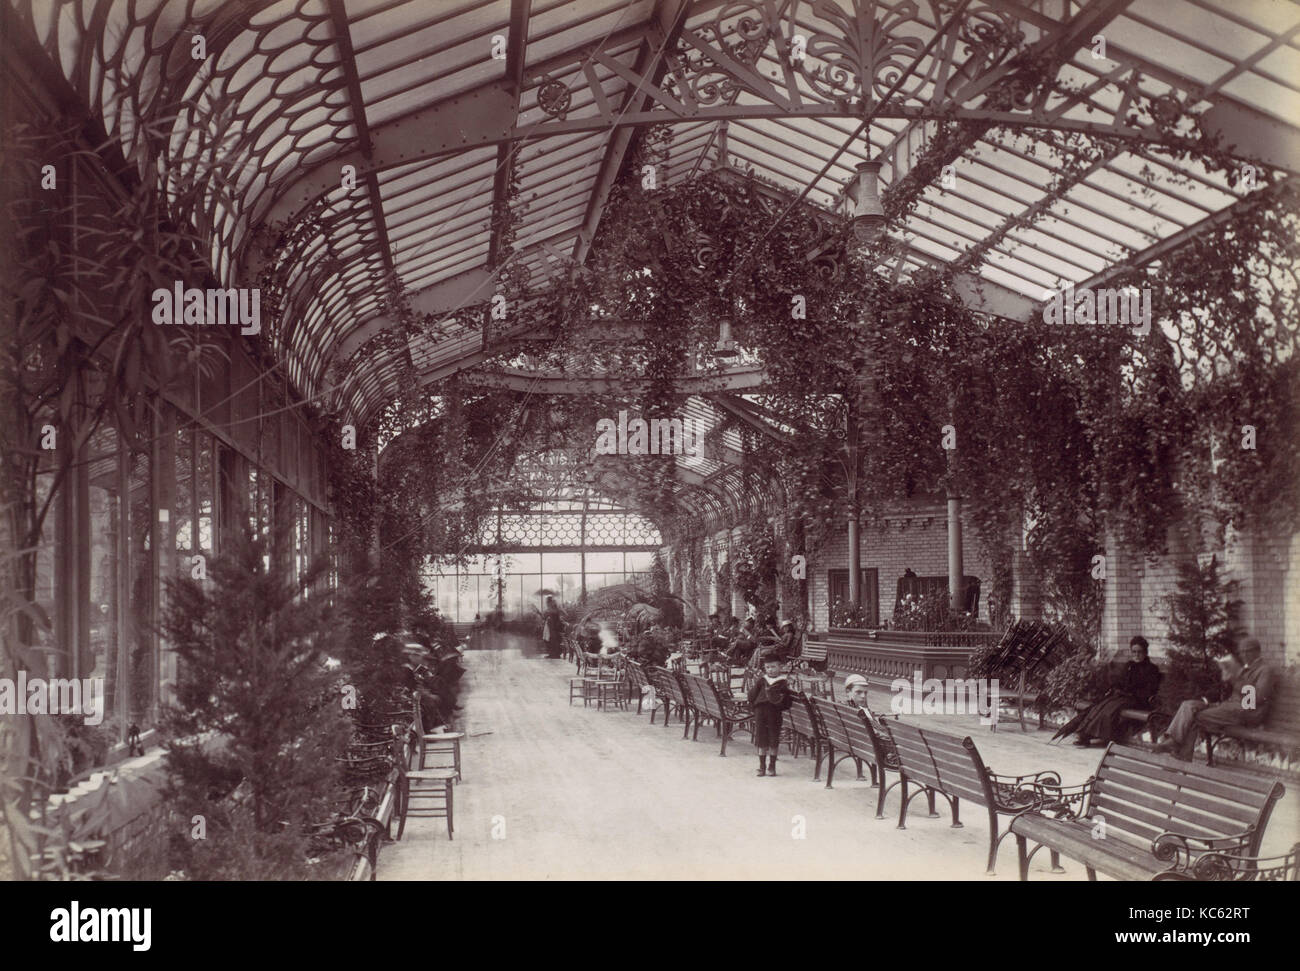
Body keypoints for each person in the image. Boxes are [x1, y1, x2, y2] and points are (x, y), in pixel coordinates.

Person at [1154, 637, 1280, 761]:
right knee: (1188, 705)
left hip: (1247, 713)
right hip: (1230, 707)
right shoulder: (1246, 669)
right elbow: (1236, 693)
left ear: (1257, 651)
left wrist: (1236, 677)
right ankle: (1174, 743)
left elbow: (1256, 699)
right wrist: (1228, 676)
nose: (1244, 655)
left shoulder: (1265, 671)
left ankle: (1180, 754)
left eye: (1248, 651)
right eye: (1242, 652)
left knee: (1196, 717)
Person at [1056, 635, 1161, 747]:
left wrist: (1130, 691)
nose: (1136, 655)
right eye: (1134, 652)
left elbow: (1149, 690)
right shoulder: (1130, 665)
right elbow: (1122, 682)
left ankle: (1098, 736)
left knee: (1110, 710)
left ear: (1145, 652)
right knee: (1098, 707)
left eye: (1139, 652)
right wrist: (1117, 686)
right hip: (1124, 698)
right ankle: (1085, 734)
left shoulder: (1151, 669)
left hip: (1140, 701)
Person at [747, 652, 794, 777]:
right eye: (768, 667)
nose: (770, 670)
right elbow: (751, 696)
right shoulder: (762, 681)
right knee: (761, 738)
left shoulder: (783, 683)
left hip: (774, 713)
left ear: (780, 667)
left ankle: (772, 766)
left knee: (774, 738)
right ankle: (761, 766)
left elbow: (788, 703)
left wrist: (779, 703)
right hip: (760, 712)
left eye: (773, 667)